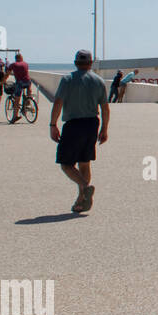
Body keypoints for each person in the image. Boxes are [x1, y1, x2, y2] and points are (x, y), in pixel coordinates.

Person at [49, 50, 110, 213]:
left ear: (76, 63)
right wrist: (104, 129)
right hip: (92, 124)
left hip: (73, 125)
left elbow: (58, 103)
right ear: (90, 63)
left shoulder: (67, 79)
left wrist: (53, 124)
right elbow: (105, 108)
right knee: (84, 162)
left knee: (66, 164)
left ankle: (85, 187)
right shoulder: (98, 81)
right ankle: (81, 200)